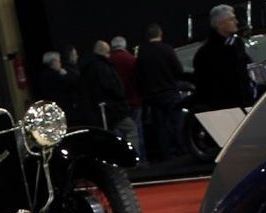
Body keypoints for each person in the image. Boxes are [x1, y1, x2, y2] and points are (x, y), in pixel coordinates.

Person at [136, 22, 190, 158]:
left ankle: (166, 155)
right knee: (176, 123)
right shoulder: (167, 49)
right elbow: (178, 70)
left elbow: (139, 75)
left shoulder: (142, 53)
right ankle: (182, 151)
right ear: (160, 34)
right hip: (170, 93)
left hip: (152, 97)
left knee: (160, 127)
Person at [191, 4, 254, 111]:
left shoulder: (236, 43)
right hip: (223, 108)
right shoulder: (205, 53)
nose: (236, 22)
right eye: (231, 19)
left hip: (244, 103)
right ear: (220, 24)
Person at [79, 40, 135, 142]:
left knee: (112, 136)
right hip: (112, 108)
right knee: (131, 129)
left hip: (99, 110)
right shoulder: (102, 67)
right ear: (103, 51)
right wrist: (121, 95)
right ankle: (133, 155)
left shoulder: (87, 67)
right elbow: (112, 87)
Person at [108, 35, 146, 160]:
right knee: (136, 131)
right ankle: (139, 158)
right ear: (124, 45)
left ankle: (122, 159)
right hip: (135, 100)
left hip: (117, 105)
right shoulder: (131, 59)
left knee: (119, 134)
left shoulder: (108, 62)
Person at [34, 50, 78, 119]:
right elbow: (71, 84)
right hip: (62, 108)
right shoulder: (55, 76)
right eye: (59, 61)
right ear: (54, 62)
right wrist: (66, 75)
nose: (60, 64)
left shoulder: (42, 75)